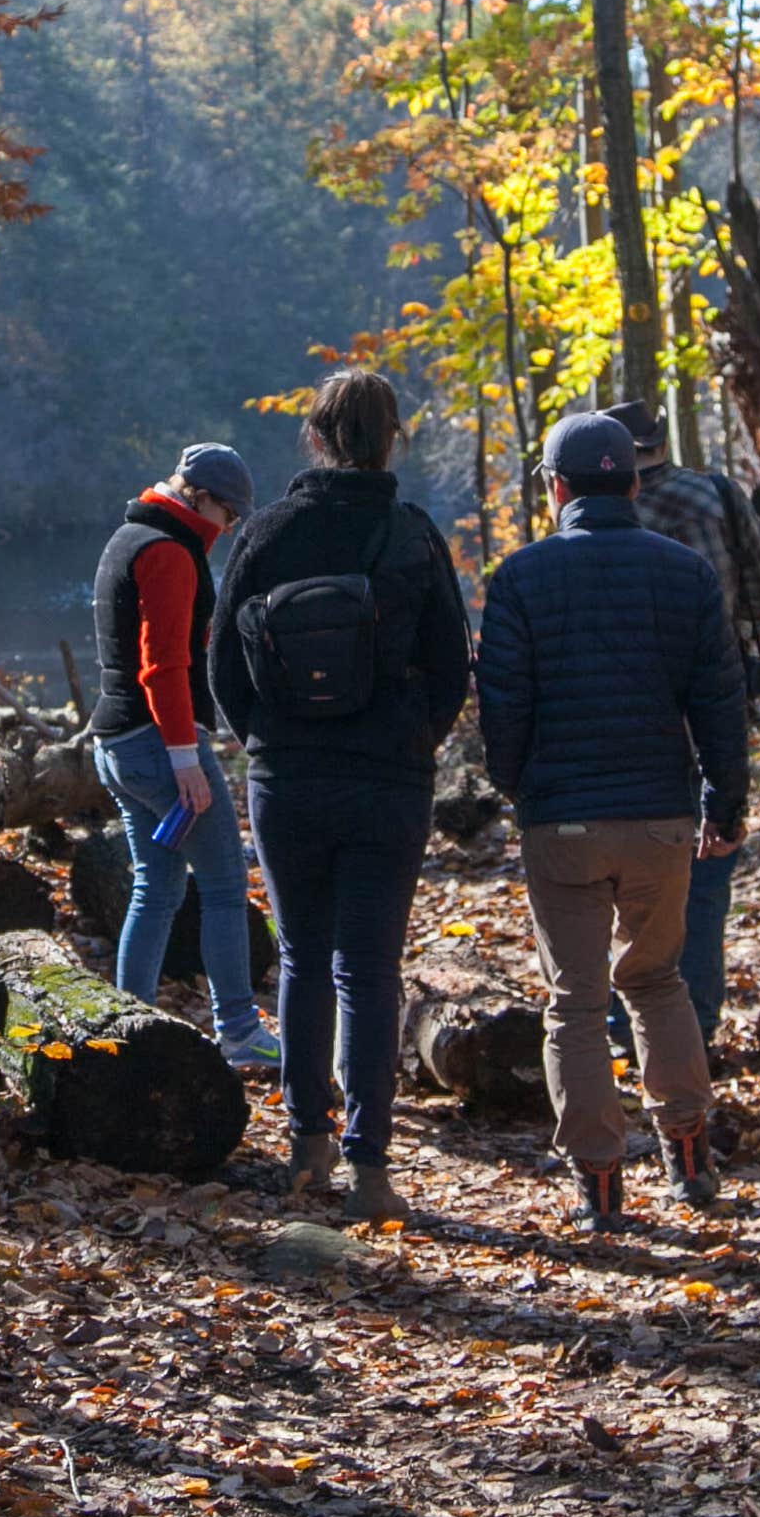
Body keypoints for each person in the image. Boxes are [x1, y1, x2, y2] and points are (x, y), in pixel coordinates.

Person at [207, 369, 471, 1223]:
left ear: (315, 436)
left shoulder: (265, 532)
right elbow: (452, 666)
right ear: (390, 438)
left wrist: (266, 743)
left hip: (288, 780)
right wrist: (410, 745)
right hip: (389, 782)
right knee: (370, 969)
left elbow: (219, 665)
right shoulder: (411, 535)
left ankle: (305, 1145)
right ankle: (370, 1164)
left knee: (303, 959)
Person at [475, 412, 750, 1231]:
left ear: (556, 490)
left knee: (575, 1000)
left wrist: (520, 789)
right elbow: (721, 703)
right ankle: (689, 1153)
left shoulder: (519, 577)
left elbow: (502, 709)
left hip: (561, 819)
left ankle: (600, 1184)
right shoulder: (686, 573)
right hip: (663, 817)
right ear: (633, 482)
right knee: (657, 979)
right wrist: (724, 804)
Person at [599, 398, 760, 1050]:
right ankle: (698, 1025)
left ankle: (628, 1028)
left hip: (627, 722)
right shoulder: (717, 496)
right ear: (661, 439)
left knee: (630, 883)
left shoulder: (595, 520)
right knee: (706, 876)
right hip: (717, 709)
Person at [90, 444, 279, 1071]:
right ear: (201, 499)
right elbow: (162, 667)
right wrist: (186, 757)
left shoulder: (129, 536)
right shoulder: (170, 553)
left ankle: (127, 1025)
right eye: (228, 515)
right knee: (225, 887)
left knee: (158, 886)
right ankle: (240, 1031)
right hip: (156, 746)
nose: (228, 530)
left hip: (115, 743)